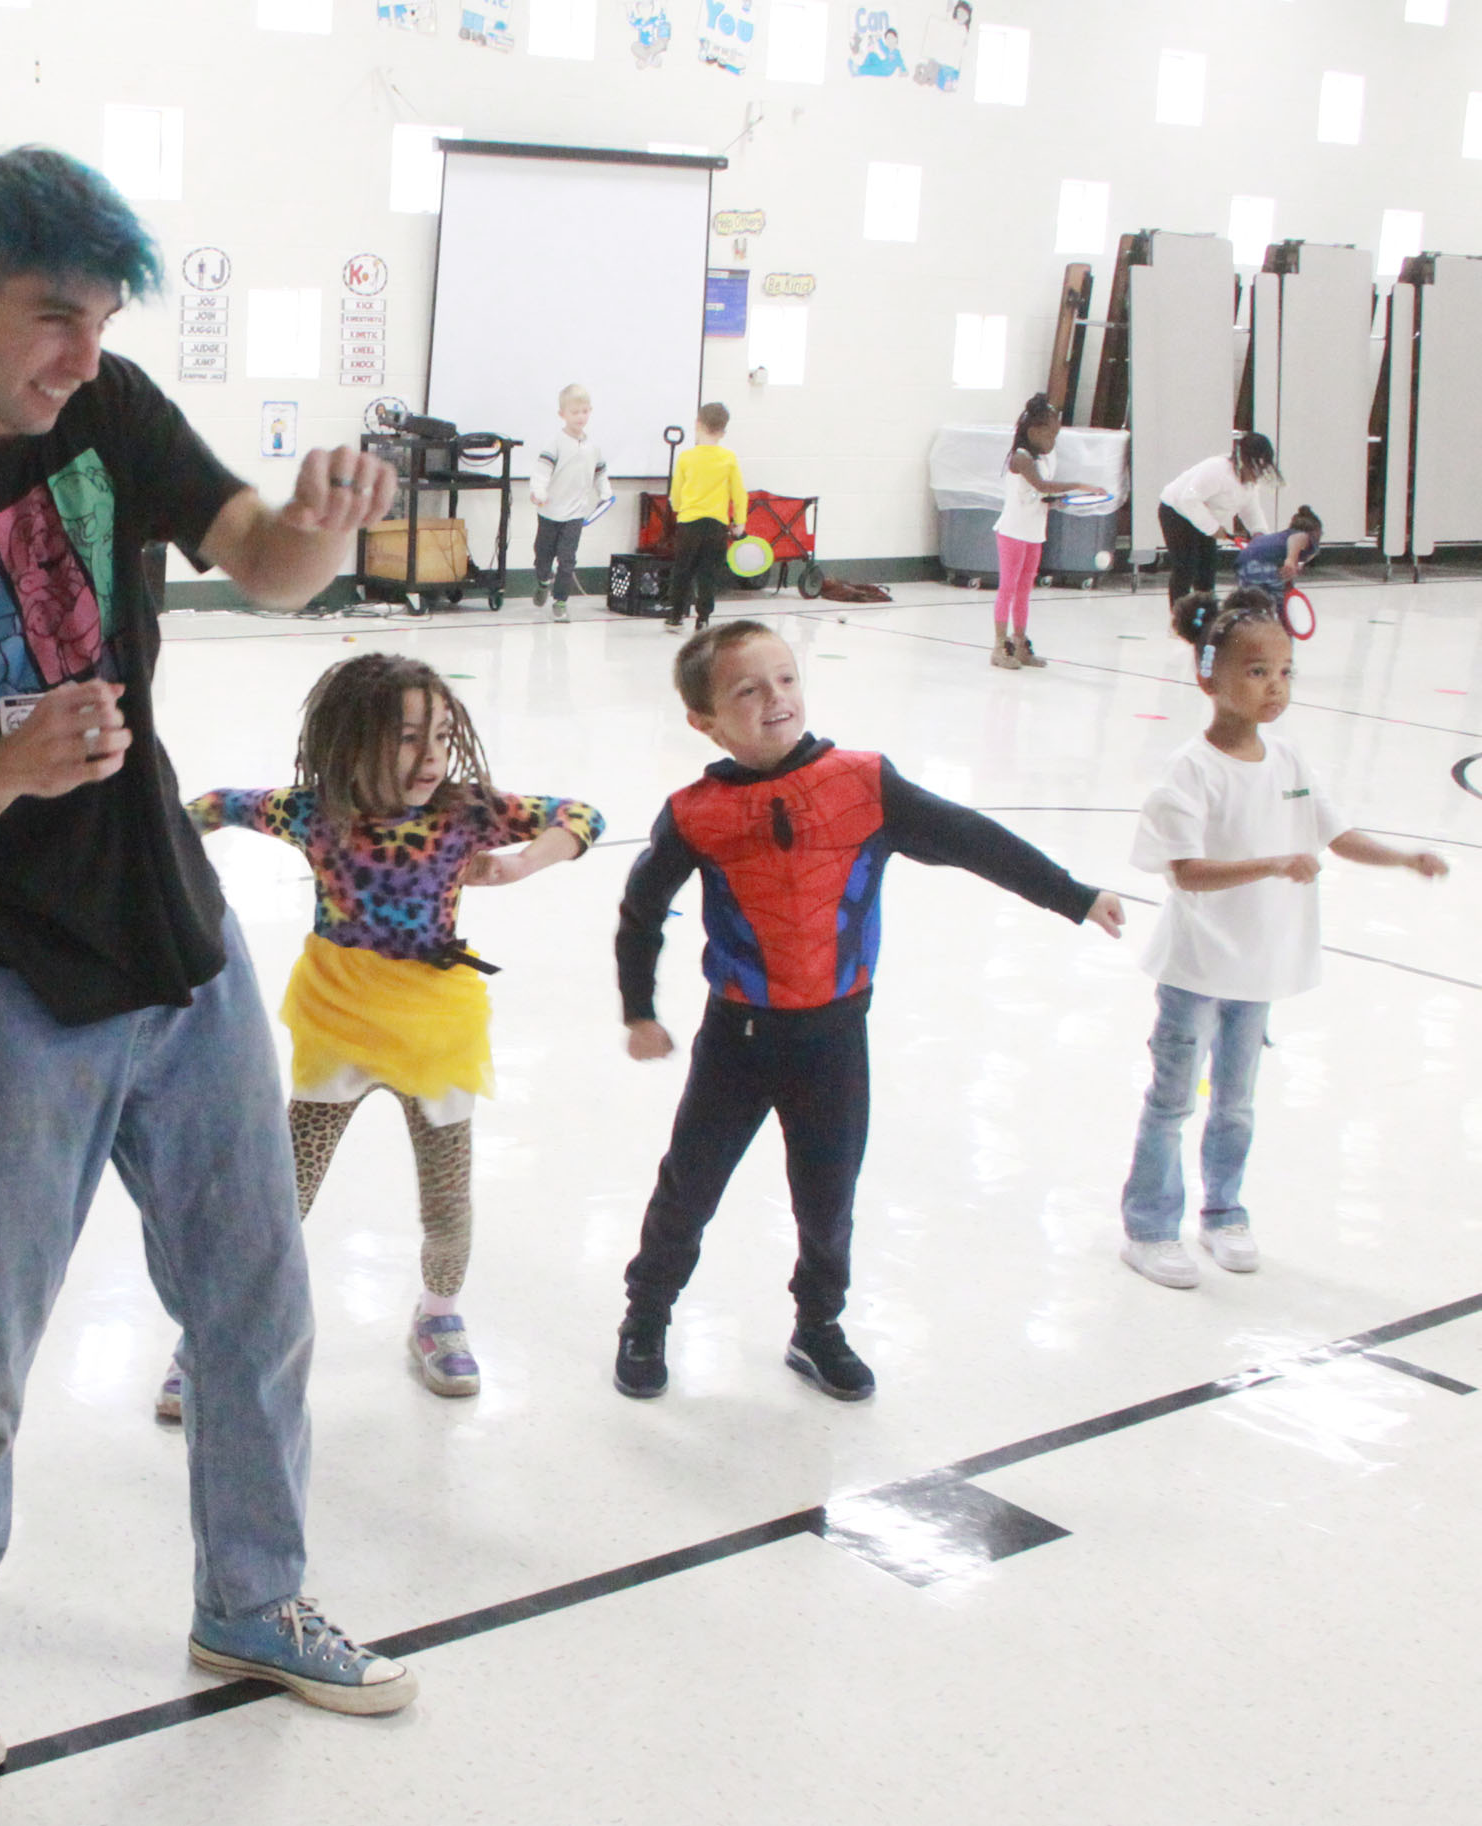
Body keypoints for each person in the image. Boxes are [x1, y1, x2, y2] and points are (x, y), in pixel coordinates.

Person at [0, 146, 421, 1775]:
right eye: (53, 319)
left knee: (255, 1311)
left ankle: (253, 1602)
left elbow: (260, 558)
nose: (79, 355)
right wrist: (8, 764)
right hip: (7, 989)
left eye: (103, 321)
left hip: (178, 951)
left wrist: (320, 532)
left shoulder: (110, 413)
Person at [612, 620, 1126, 1400]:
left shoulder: (862, 782)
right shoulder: (695, 813)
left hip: (833, 1042)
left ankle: (818, 1325)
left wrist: (1072, 896)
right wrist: (638, 1009)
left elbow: (971, 839)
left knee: (829, 1201)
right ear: (704, 722)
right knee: (689, 1187)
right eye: (746, 690)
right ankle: (646, 1316)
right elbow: (641, 909)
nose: (774, 699)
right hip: (737, 1042)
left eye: (784, 678)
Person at [158, 653, 603, 1414]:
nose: (430, 757)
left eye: (439, 737)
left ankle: (437, 1315)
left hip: (437, 1032)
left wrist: (527, 863)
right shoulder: (314, 813)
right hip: (338, 1022)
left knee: (448, 1198)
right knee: (282, 1194)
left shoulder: (466, 812)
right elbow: (212, 805)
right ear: (351, 741)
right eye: (405, 738)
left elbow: (583, 815)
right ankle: (215, 1333)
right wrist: (157, 853)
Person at [1118, 590, 1447, 1288]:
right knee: (1173, 1101)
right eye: (1258, 671)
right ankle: (1149, 1226)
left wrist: (1402, 857)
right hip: (1197, 968)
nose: (1275, 687)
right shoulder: (1192, 771)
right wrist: (1271, 862)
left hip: (1258, 972)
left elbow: (1334, 831)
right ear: (1210, 677)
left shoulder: (1289, 761)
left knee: (1236, 1103)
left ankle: (1223, 1211)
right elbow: (1187, 873)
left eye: (1286, 672)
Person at [990, 392, 1090, 671]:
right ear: (1033, 431)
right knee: (1007, 588)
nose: (1053, 441)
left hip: (1034, 532)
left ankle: (1020, 643)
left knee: (1024, 590)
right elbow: (1041, 486)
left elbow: (1041, 493)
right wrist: (1080, 486)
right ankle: (999, 646)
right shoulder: (1020, 457)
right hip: (1012, 531)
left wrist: (1055, 500)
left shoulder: (1047, 457)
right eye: (1049, 435)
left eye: (1056, 436)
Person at [1157, 432, 1281, 607]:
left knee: (1207, 569)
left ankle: (1206, 615)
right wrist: (1213, 528)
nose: (1259, 474)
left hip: (1205, 518)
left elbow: (1251, 509)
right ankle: (1179, 620)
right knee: (1186, 566)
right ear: (1244, 460)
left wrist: (1259, 533)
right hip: (1176, 512)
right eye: (1256, 466)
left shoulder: (1250, 484)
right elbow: (1189, 499)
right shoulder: (1217, 470)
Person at [663, 402, 747, 635]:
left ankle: (676, 616)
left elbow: (676, 493)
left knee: (683, 570)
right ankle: (703, 618)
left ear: (697, 424)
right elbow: (739, 493)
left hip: (689, 522)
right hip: (717, 524)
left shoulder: (686, 458)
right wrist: (740, 522)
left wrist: (679, 509)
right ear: (723, 432)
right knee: (708, 572)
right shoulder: (729, 459)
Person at [530, 382, 609, 621]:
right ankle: (544, 581)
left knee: (567, 560)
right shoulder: (555, 444)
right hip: (549, 512)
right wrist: (539, 491)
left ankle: (561, 601)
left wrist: (605, 492)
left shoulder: (593, 447)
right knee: (542, 556)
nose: (580, 416)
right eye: (575, 412)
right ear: (562, 414)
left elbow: (600, 473)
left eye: (584, 411)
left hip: (575, 514)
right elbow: (541, 472)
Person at [1234, 504, 1322, 607]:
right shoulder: (1305, 537)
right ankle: (1279, 617)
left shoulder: (1279, 538)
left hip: (1242, 564)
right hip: (1262, 565)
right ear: (1316, 532)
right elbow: (1297, 538)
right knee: (1279, 602)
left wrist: (1297, 563)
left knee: (1249, 600)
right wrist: (1290, 559)